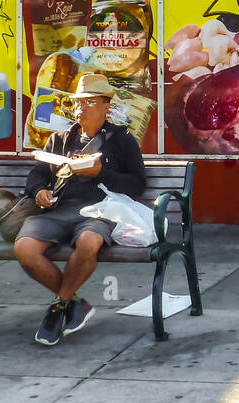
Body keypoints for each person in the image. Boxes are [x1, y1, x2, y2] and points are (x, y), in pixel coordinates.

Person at [14, 73, 147, 344]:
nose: (80, 108)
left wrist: (101, 173)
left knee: (88, 242)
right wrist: (39, 191)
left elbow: (136, 185)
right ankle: (75, 304)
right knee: (24, 249)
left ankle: (58, 307)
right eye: (78, 102)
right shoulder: (60, 139)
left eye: (89, 102)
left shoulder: (121, 140)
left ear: (106, 105)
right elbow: (37, 174)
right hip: (59, 209)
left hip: (99, 211)